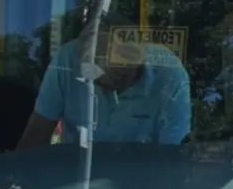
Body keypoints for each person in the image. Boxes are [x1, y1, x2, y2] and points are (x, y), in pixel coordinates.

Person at [15, 35, 191, 149]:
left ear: (137, 66)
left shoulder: (168, 72)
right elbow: (35, 138)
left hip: (146, 187)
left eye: (117, 76)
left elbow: (173, 157)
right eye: (94, 72)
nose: (103, 83)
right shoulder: (68, 60)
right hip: (74, 186)